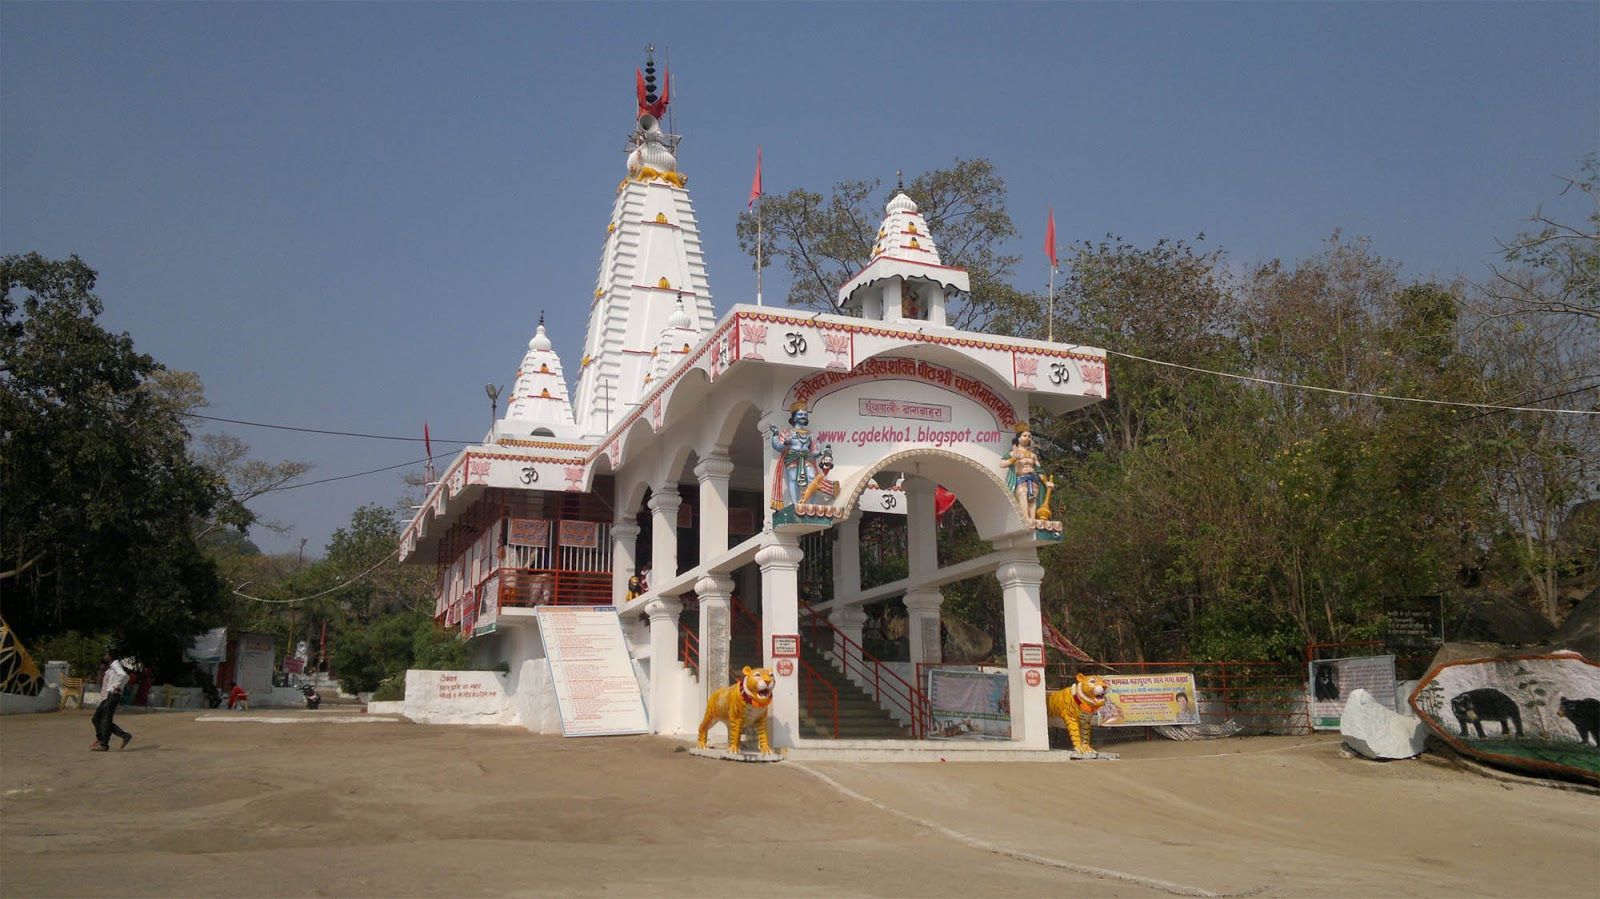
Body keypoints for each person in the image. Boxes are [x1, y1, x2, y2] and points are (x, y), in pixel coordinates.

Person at [999, 423, 1044, 521]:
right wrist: (1014, 459)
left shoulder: (1033, 455)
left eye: (1029, 436)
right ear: (1018, 438)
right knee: (1023, 493)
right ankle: (1025, 518)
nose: (1027, 438)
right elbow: (1002, 464)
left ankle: (1033, 518)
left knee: (1033, 497)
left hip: (1033, 478)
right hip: (1021, 477)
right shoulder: (1013, 452)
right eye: (1024, 436)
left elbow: (1039, 470)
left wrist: (1046, 481)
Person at [91, 657, 138, 751]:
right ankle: (107, 739)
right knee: (97, 719)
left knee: (105, 720)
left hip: (112, 696)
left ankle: (104, 743)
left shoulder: (115, 665)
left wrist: (116, 687)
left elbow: (124, 676)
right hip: (107, 697)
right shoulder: (111, 669)